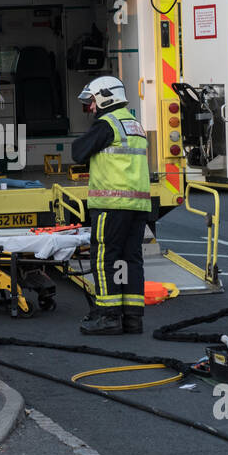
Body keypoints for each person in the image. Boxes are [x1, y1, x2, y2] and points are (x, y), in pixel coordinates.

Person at [71, 76, 151, 336]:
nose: (90, 108)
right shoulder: (134, 124)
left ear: (105, 98)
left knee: (105, 258)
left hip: (111, 205)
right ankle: (131, 318)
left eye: (92, 102)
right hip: (137, 207)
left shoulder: (107, 124)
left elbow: (78, 152)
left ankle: (108, 316)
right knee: (130, 260)